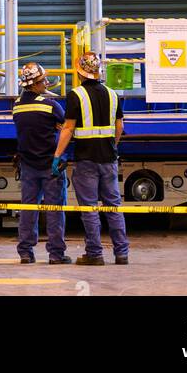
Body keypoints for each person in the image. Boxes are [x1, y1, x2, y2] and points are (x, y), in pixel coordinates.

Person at [52, 51, 129, 266]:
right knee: (113, 206)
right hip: (109, 159)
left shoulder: (76, 95)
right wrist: (112, 146)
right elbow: (120, 126)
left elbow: (68, 128)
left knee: (89, 208)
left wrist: (57, 156)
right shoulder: (113, 94)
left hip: (86, 160)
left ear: (79, 73)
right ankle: (122, 253)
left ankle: (95, 254)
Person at [12, 61, 71, 265]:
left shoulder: (17, 106)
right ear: (35, 84)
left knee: (28, 209)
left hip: (28, 165)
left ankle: (25, 252)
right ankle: (56, 254)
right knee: (55, 210)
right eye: (43, 80)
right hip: (50, 166)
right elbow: (66, 127)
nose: (46, 83)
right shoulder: (50, 105)